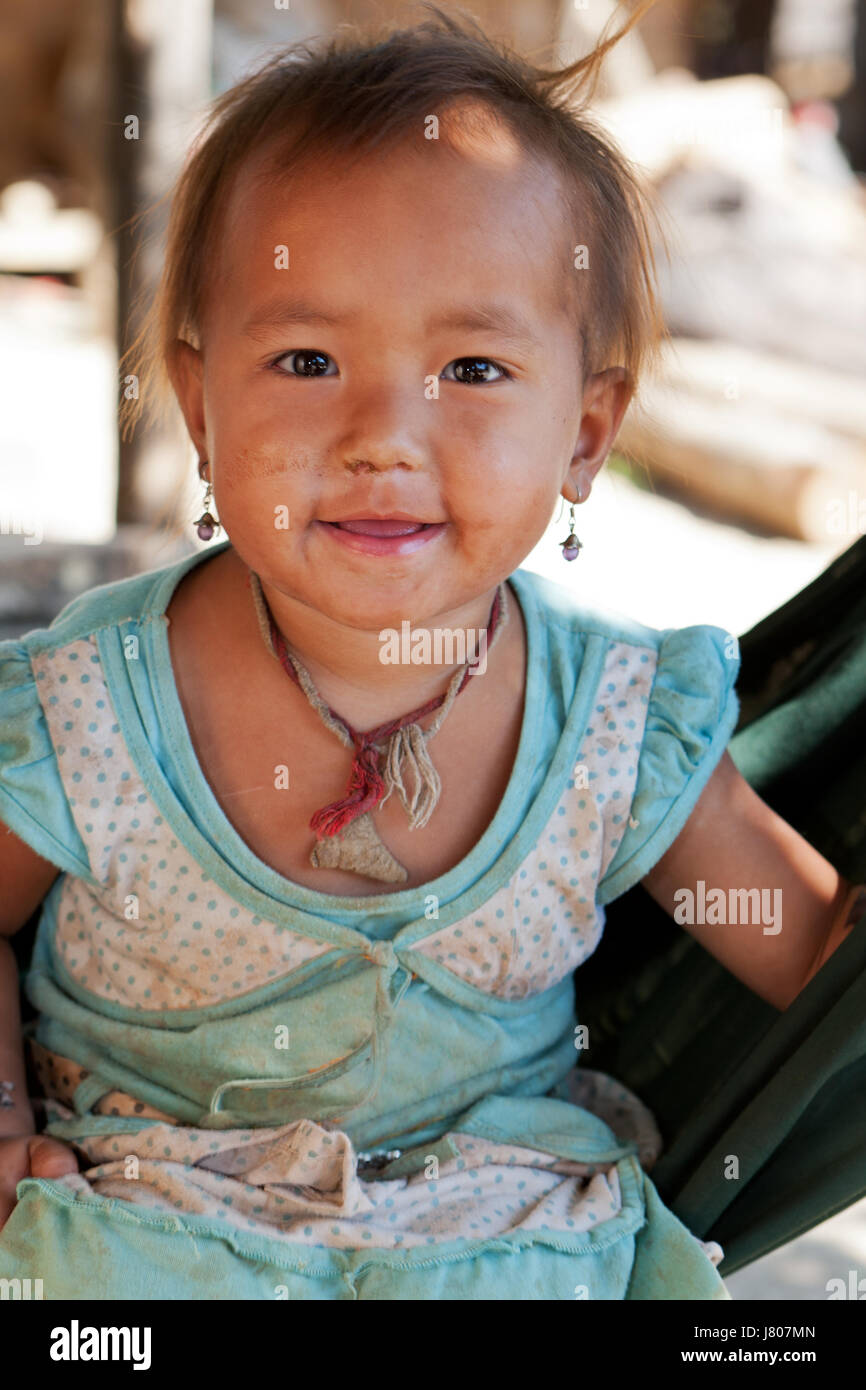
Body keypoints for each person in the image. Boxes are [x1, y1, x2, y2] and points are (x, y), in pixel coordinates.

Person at [0, 3, 862, 1300]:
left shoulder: (609, 724)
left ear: (584, 433)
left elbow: (809, 950)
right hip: (147, 1234)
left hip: (502, 1251)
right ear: (198, 404)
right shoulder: (93, 708)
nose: (381, 434)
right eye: (305, 357)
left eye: (468, 366)